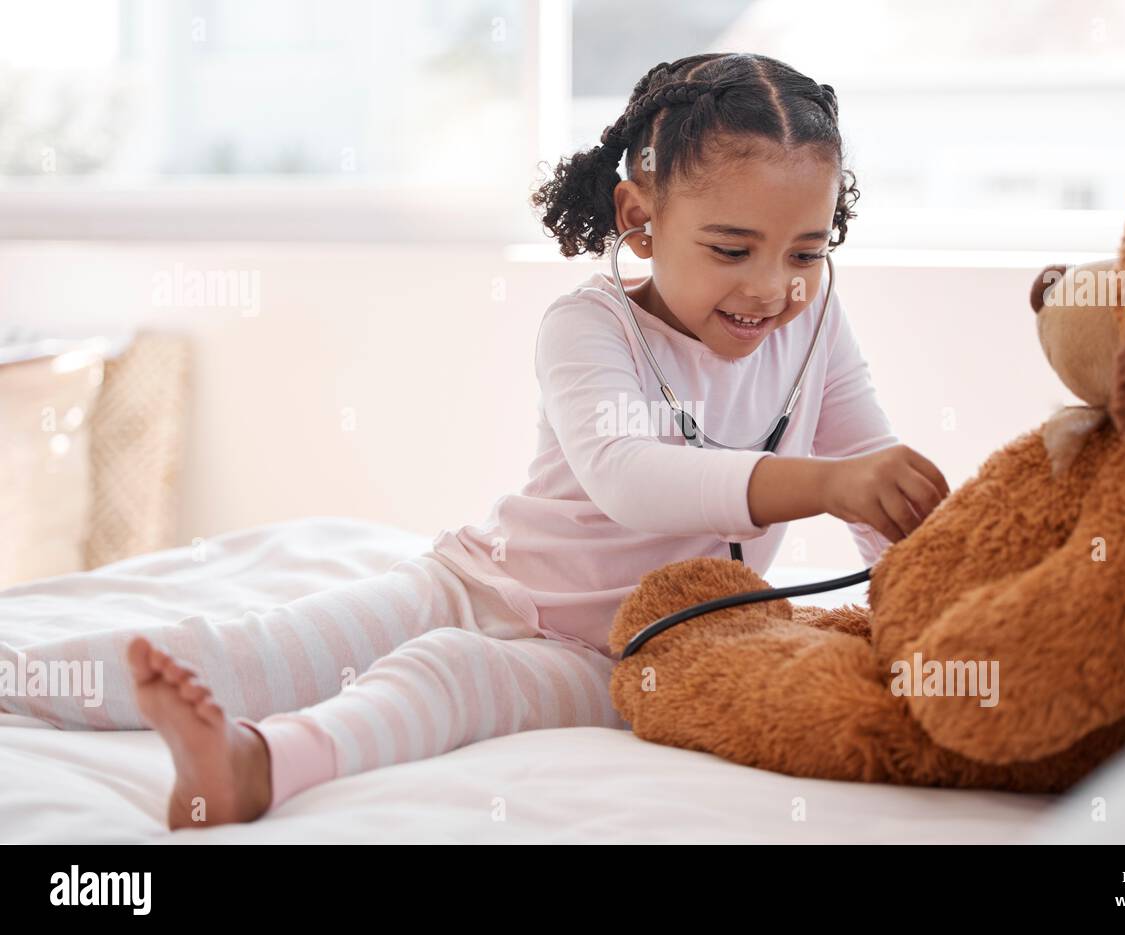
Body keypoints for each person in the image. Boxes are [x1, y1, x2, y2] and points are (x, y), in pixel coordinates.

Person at [1, 51, 948, 829]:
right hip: (481, 578)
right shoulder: (588, 327)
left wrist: (926, 604)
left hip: (623, 650)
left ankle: (253, 765)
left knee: (447, 678)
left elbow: (878, 494)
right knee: (259, 648)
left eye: (808, 251)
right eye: (733, 249)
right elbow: (632, 479)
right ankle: (18, 678)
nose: (771, 287)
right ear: (640, 221)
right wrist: (827, 482)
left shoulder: (816, 322)